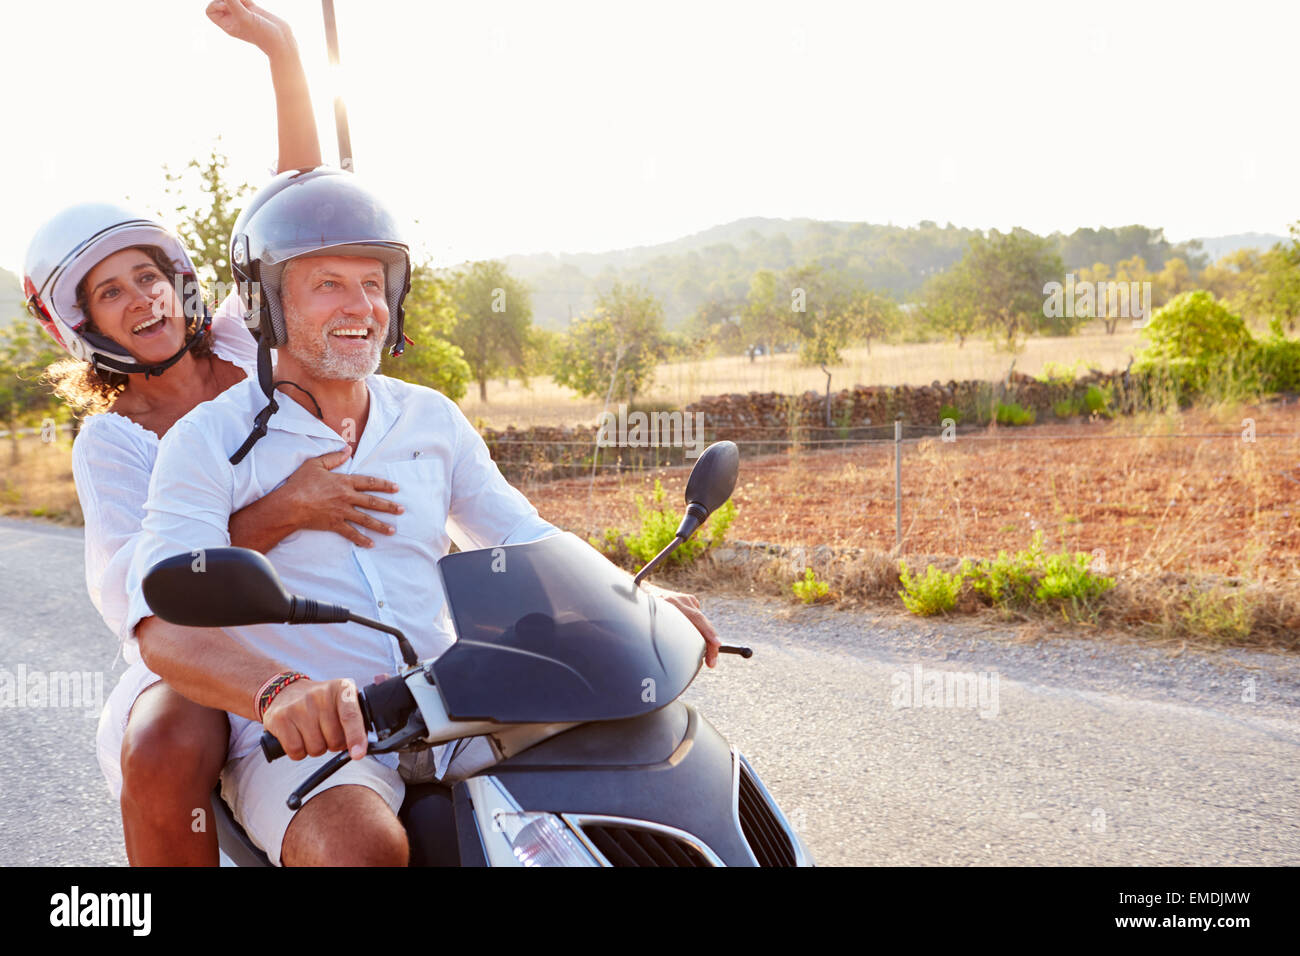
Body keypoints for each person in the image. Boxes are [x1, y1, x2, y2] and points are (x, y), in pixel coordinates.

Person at [122, 167, 722, 866]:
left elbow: (525, 536)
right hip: (312, 738)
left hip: (457, 704)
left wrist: (633, 594)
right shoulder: (208, 441)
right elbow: (163, 624)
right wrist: (281, 691)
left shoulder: (429, 418)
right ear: (266, 303)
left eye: (374, 283)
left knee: (634, 776)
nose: (362, 306)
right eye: (329, 284)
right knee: (358, 848)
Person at [23, 1, 404, 866]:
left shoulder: (246, 337)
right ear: (86, 324)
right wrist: (281, 510)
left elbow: (301, 201)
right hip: (203, 651)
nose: (142, 299)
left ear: (180, 280)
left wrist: (281, 50)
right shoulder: (113, 442)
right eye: (111, 293)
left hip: (329, 609)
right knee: (166, 745)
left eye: (148, 275)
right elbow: (147, 599)